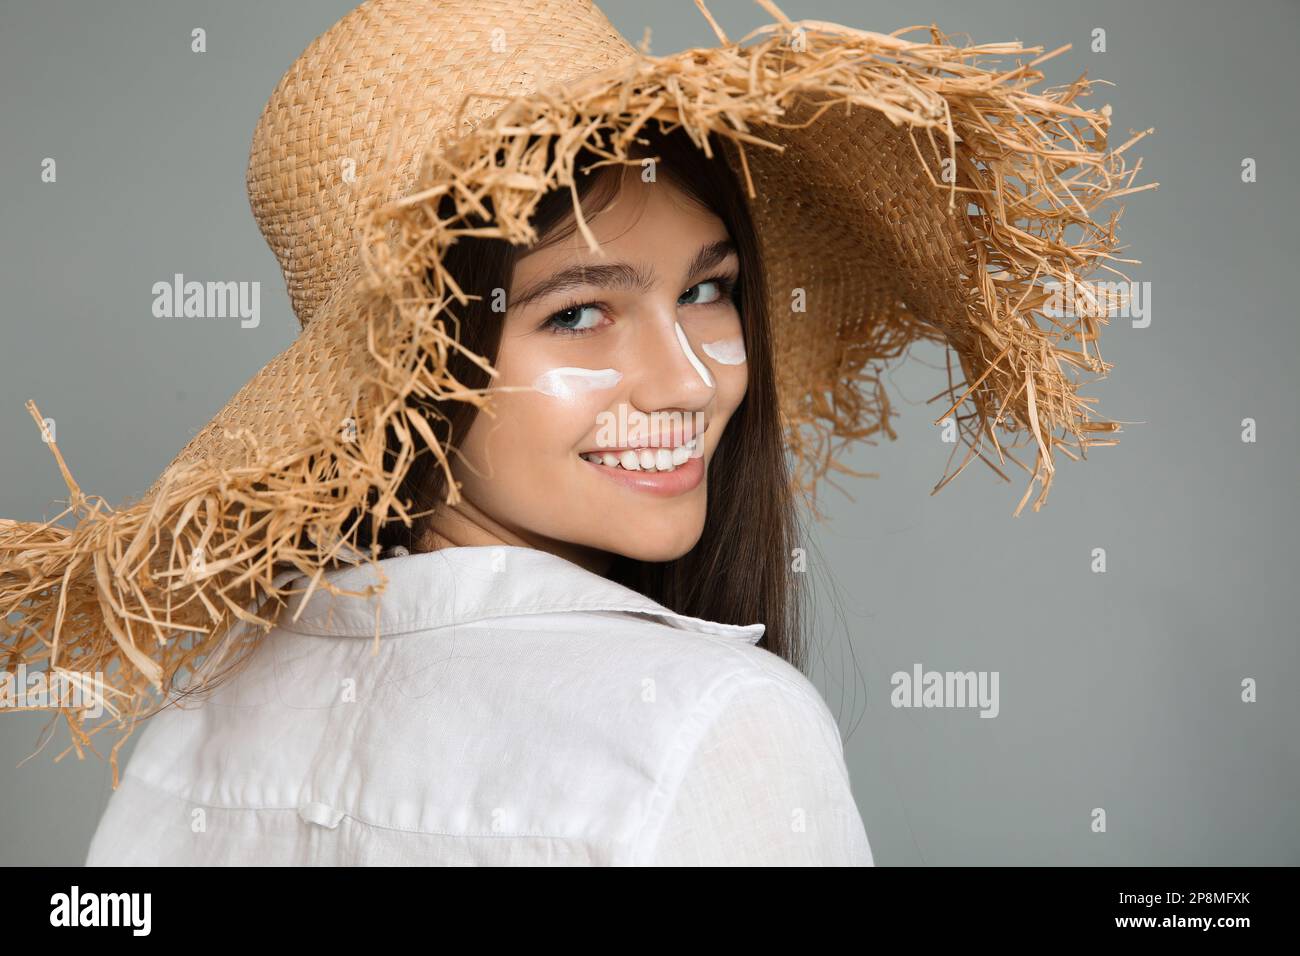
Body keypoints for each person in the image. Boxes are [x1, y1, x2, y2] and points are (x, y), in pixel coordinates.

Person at [0, 0, 1149, 866]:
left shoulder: (206, 704)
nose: (690, 373)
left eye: (708, 289)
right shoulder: (717, 727)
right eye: (579, 311)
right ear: (409, 372)